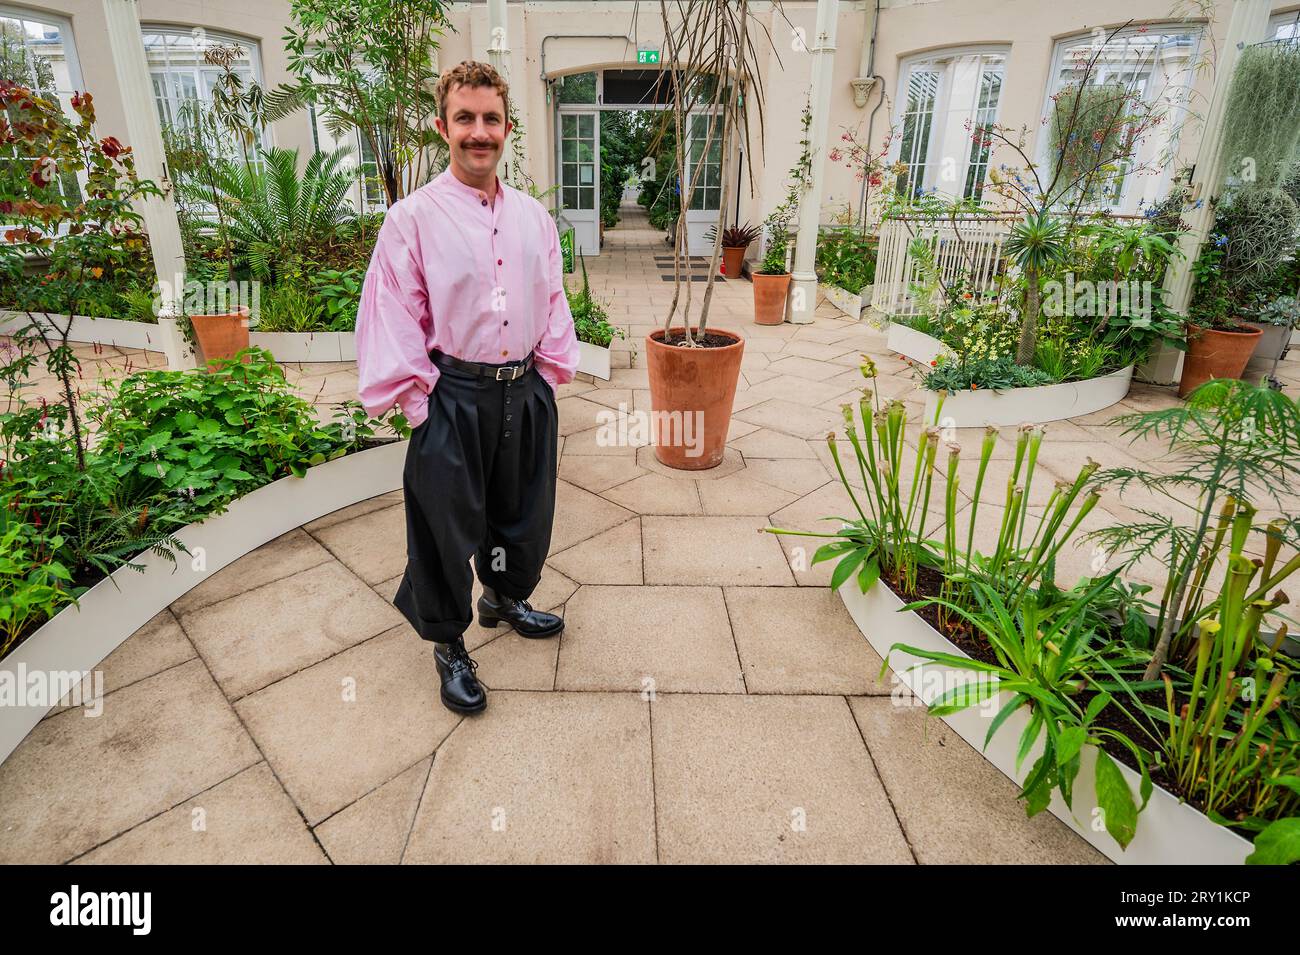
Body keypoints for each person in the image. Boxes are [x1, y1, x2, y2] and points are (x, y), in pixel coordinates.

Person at [354, 60, 579, 715]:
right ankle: (449, 643)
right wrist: (420, 405)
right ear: (442, 125)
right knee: (443, 527)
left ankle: (503, 598)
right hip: (451, 394)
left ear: (507, 127)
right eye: (465, 119)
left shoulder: (534, 218)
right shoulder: (411, 219)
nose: (478, 132)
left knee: (522, 512)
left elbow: (554, 293)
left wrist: (548, 374)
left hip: (524, 390)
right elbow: (393, 307)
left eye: (490, 120)